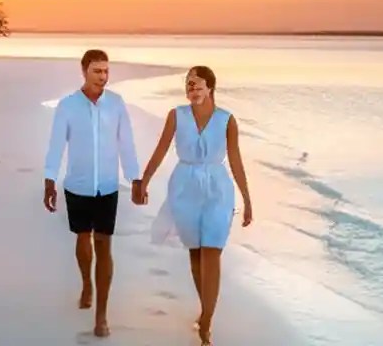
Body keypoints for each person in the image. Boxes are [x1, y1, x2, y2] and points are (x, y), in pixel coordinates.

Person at [136, 65, 253, 346]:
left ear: (210, 87)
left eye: (197, 85)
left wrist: (247, 199)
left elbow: (235, 160)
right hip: (184, 187)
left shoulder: (227, 120)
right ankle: (206, 308)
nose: (192, 90)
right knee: (196, 253)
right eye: (188, 85)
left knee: (212, 249)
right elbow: (161, 149)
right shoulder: (176, 116)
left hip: (217, 188)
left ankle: (207, 322)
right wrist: (144, 181)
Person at [43, 49, 143, 338]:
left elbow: (127, 143)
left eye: (106, 71)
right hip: (78, 184)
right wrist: (49, 179)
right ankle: (86, 283)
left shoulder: (116, 104)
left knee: (104, 244)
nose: (103, 76)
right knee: (82, 236)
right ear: (84, 71)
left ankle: (101, 316)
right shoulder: (68, 105)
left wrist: (135, 178)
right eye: (97, 71)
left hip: (108, 186)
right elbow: (56, 144)